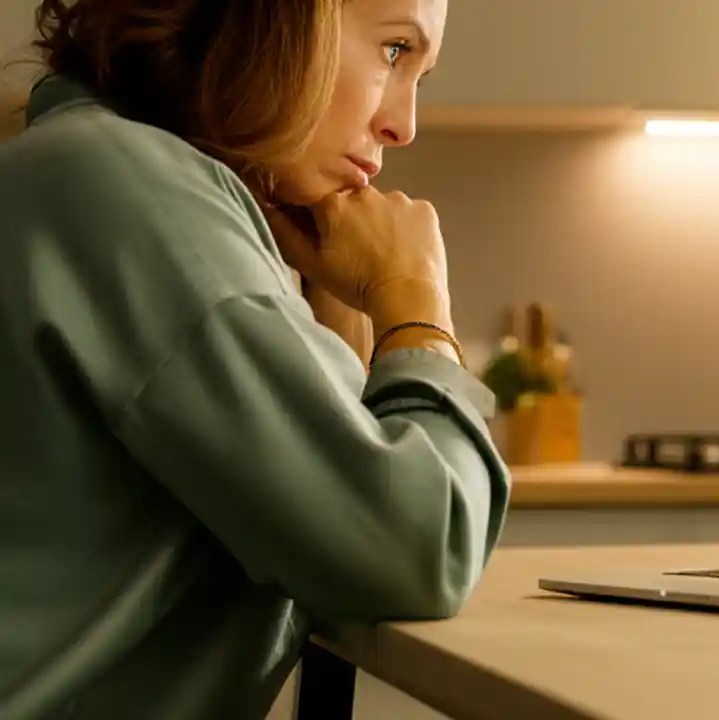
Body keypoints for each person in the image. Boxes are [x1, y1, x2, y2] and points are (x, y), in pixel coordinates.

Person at [0, 0, 511, 716]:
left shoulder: (92, 168)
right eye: (395, 51)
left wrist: (335, 299)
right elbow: (417, 548)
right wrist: (415, 301)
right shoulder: (129, 189)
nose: (404, 123)